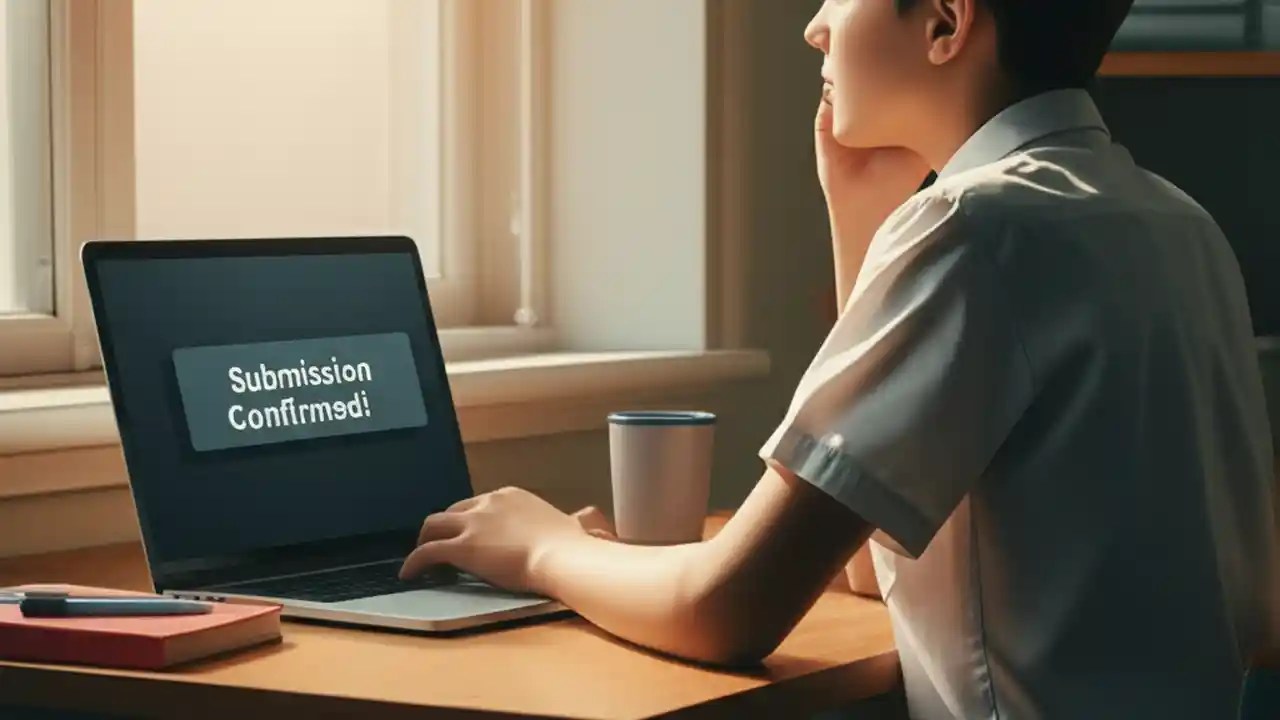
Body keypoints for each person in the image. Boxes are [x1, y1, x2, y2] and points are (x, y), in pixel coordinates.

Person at [399, 0, 1280, 717]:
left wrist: (542, 547)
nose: (814, 25)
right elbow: (869, 566)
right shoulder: (1176, 225)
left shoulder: (974, 233)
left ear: (944, 22)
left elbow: (728, 610)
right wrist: (860, 222)